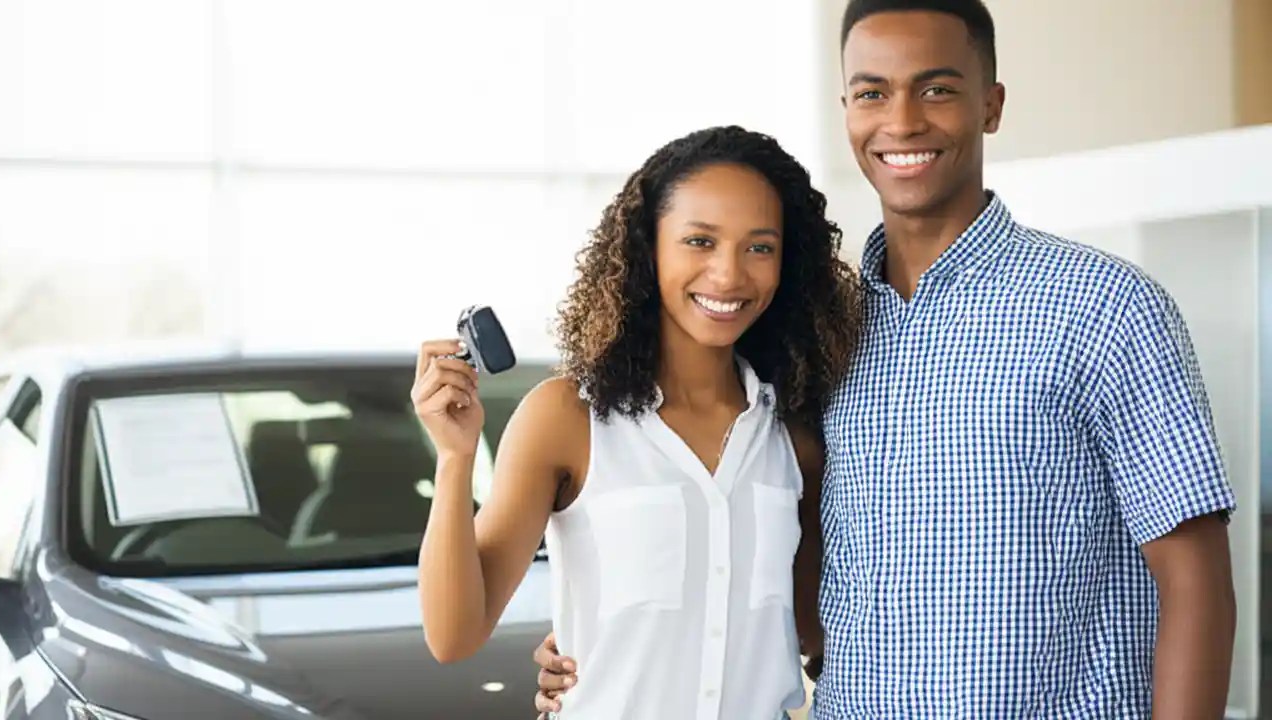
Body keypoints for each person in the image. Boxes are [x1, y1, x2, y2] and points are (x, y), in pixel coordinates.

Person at [533, 1, 1239, 717]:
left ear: (991, 105)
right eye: (872, 93)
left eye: (937, 89)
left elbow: (1197, 581)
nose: (902, 122)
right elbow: (767, 561)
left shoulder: (1107, 307)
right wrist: (609, 642)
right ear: (847, 111)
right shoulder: (819, 331)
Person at [414, 125, 863, 719]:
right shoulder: (566, 419)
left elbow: (818, 634)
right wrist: (455, 458)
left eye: (759, 247)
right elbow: (453, 636)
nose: (729, 275)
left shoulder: (795, 433)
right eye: (700, 241)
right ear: (648, 249)